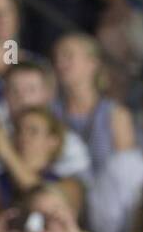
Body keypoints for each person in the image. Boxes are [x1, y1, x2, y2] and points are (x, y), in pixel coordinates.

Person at [51, 31, 135, 174]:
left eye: (68, 55)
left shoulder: (116, 115)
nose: (60, 62)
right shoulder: (50, 111)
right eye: (56, 57)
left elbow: (127, 172)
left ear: (92, 63)